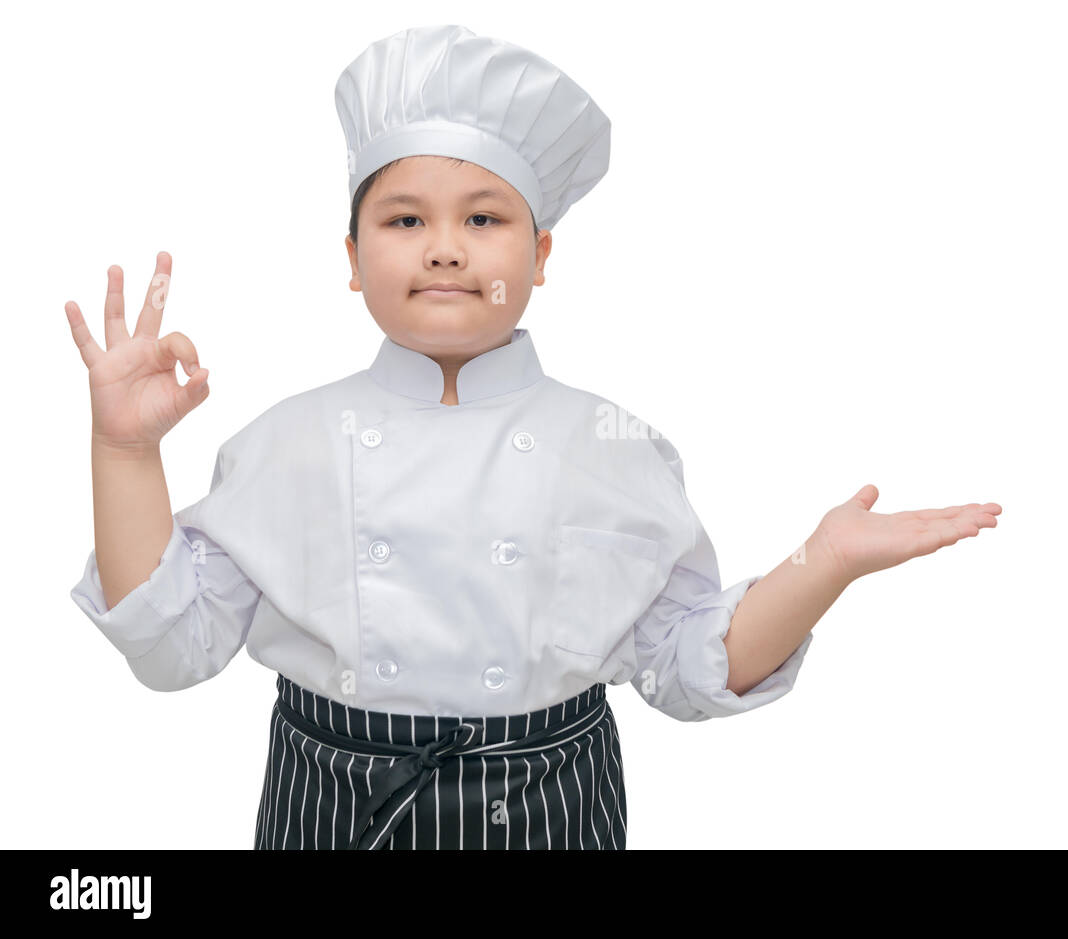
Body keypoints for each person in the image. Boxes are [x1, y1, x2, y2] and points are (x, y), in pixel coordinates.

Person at [66, 25, 1001, 850]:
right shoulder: (286, 440)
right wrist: (125, 454)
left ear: (541, 254)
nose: (444, 247)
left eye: (483, 217)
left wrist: (821, 561)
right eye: (404, 219)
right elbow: (172, 648)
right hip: (336, 805)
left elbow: (685, 663)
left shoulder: (611, 443)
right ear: (351, 259)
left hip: (551, 807)